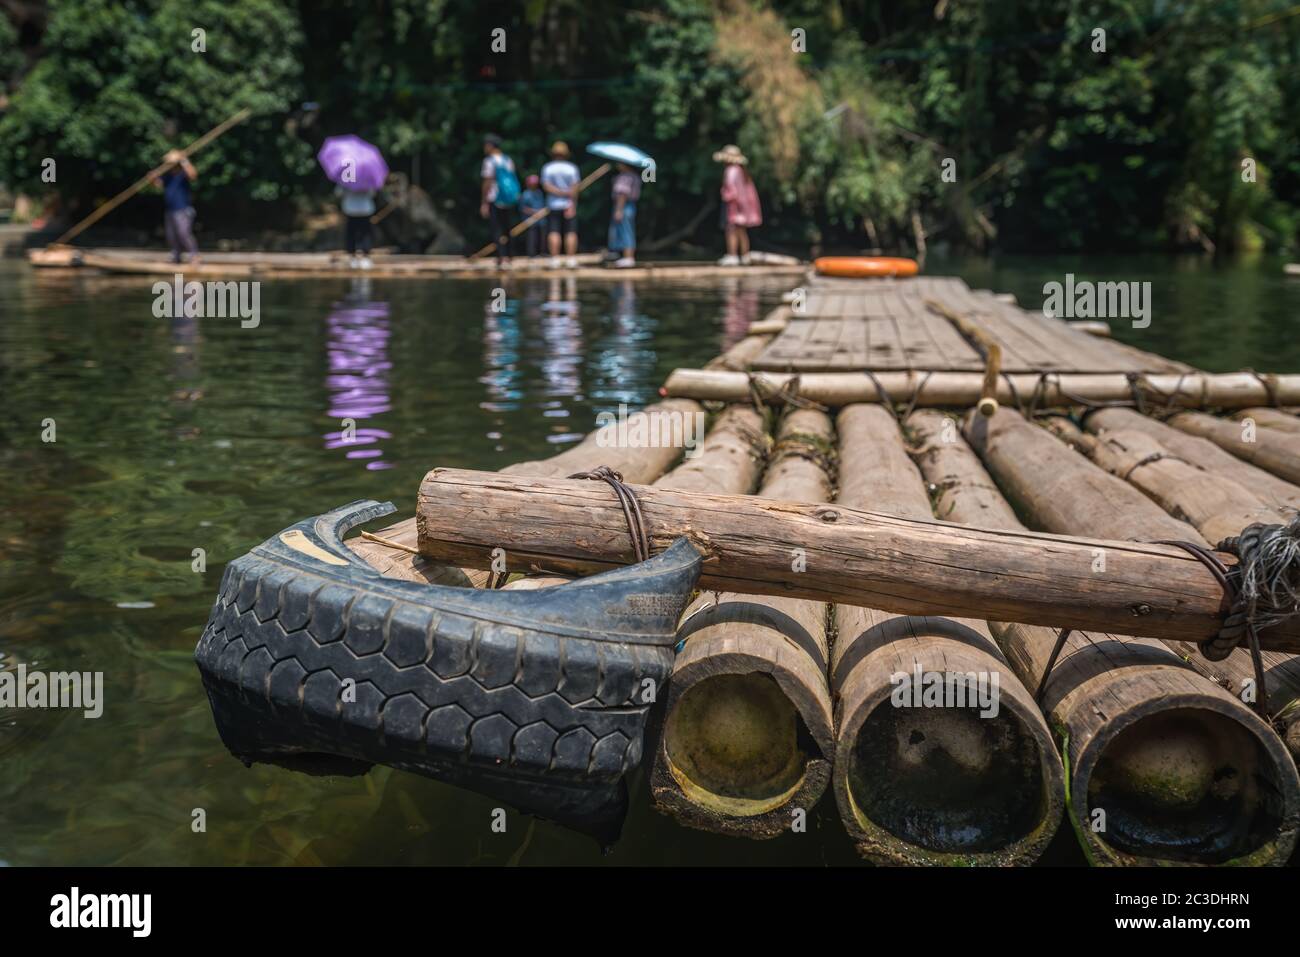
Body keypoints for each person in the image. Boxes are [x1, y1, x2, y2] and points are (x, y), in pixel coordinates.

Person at [713, 144, 762, 265]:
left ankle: (732, 255)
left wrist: (726, 196)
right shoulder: (741, 171)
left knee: (731, 229)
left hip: (734, 205)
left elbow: (731, 191)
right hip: (744, 207)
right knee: (741, 230)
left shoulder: (731, 171)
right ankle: (745, 256)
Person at [150, 150, 200, 265]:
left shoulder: (183, 174)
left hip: (183, 210)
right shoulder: (168, 176)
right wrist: (152, 178)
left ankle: (194, 255)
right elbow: (158, 184)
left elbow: (193, 175)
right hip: (170, 210)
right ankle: (176, 257)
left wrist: (184, 160)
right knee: (171, 236)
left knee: (184, 233)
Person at [480, 134, 520, 267]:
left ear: (490, 146)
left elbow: (487, 182)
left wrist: (484, 202)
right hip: (508, 198)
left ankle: (502, 258)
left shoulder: (489, 161)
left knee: (496, 229)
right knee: (507, 228)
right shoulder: (508, 160)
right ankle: (510, 256)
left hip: (495, 197)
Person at [540, 141, 580, 269]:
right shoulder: (572, 168)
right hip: (568, 204)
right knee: (571, 231)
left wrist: (559, 193)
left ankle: (555, 259)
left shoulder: (548, 168)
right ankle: (571, 259)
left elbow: (546, 186)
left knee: (554, 231)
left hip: (553, 204)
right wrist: (572, 203)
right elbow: (575, 188)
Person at [606, 162, 641, 268]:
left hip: (623, 205)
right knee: (627, 229)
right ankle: (626, 257)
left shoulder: (624, 177)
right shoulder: (635, 176)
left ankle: (628, 257)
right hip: (631, 206)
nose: (617, 164)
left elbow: (622, 194)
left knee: (625, 230)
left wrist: (619, 210)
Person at [337, 184, 377, 269]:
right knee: (365, 234)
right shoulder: (368, 179)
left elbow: (339, 193)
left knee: (352, 234)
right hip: (364, 210)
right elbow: (372, 193)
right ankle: (365, 257)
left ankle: (353, 257)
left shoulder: (346, 177)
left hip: (351, 210)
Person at [519, 174, 546, 259]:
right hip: (530, 220)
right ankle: (532, 254)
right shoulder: (525, 194)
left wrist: (543, 211)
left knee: (542, 237)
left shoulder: (539, 193)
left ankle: (543, 253)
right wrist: (534, 212)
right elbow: (523, 208)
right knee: (532, 238)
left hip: (541, 220)